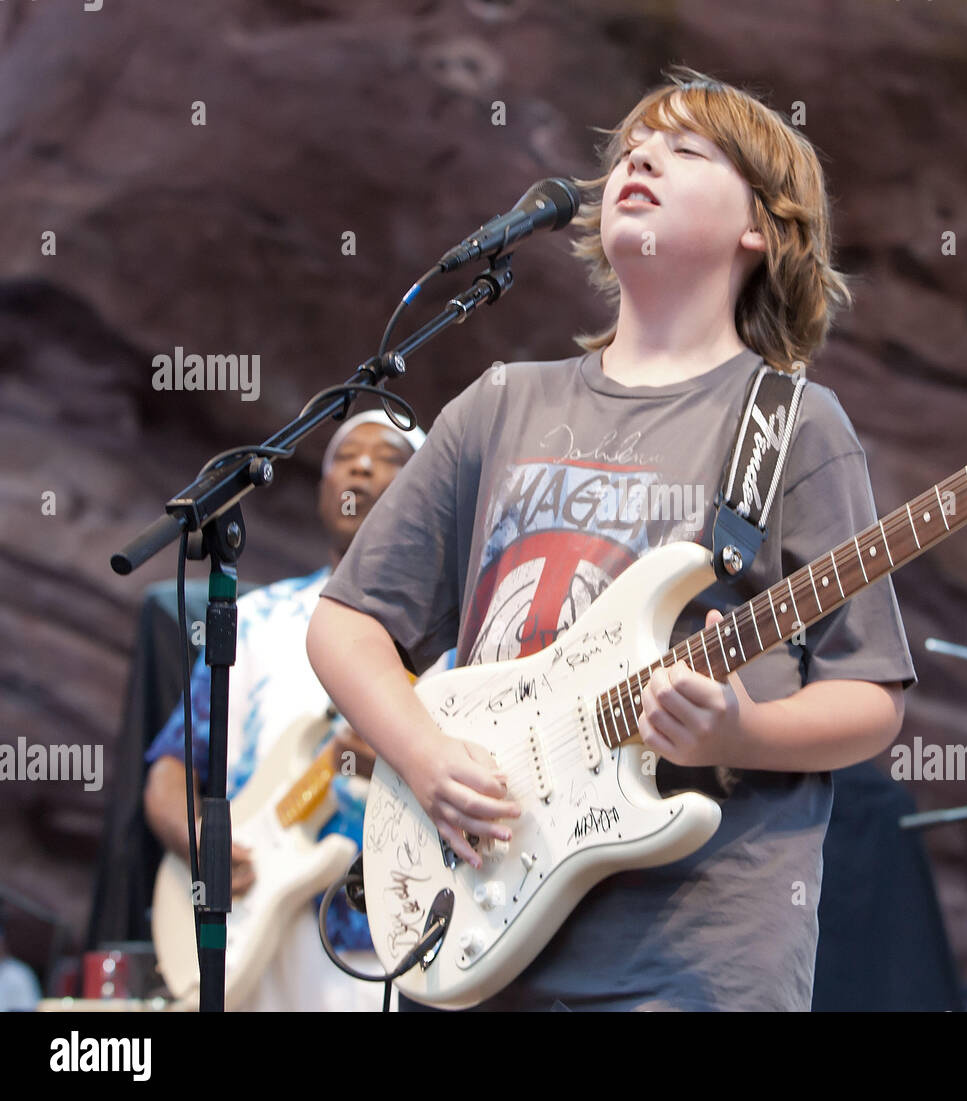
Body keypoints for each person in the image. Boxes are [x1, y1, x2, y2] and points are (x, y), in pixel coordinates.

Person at [306, 66, 916, 1011]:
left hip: (691, 948)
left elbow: (869, 696)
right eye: (633, 146)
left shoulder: (793, 423)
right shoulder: (504, 400)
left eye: (686, 150)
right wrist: (425, 757)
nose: (641, 158)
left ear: (761, 228)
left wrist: (743, 730)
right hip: (476, 901)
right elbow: (347, 625)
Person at [142, 411, 426, 1011]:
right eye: (345, 457)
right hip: (249, 936)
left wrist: (394, 763)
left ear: (427, 490)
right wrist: (200, 842)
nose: (362, 466)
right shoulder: (257, 620)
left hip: (378, 943)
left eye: (388, 458)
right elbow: (173, 765)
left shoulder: (450, 635)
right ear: (323, 490)